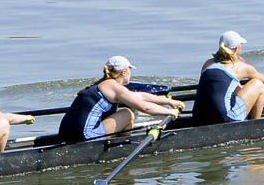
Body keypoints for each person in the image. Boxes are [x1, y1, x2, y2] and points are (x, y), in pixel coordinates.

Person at [58, 56, 186, 142]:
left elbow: (139, 96)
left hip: (65, 134)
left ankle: (115, 141)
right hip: (85, 136)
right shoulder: (113, 86)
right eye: (130, 70)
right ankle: (120, 146)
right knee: (127, 113)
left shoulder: (104, 84)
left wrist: (170, 102)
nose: (130, 73)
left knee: (126, 109)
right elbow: (144, 107)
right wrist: (170, 112)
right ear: (124, 72)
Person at [192, 30, 264, 124]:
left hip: (198, 117)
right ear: (237, 48)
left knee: (234, 87)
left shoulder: (207, 64)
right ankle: (255, 126)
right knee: (258, 84)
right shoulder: (240, 67)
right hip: (225, 119)